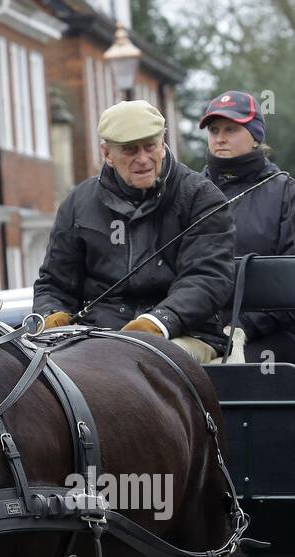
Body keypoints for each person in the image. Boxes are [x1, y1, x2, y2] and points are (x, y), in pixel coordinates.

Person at [33, 99, 235, 365]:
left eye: (150, 146)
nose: (143, 159)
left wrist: (156, 323)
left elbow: (207, 277)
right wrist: (51, 315)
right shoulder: (77, 203)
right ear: (107, 154)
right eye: (130, 150)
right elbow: (55, 283)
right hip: (96, 337)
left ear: (163, 145)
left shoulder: (200, 197)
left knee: (143, 362)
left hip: (186, 334)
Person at [200, 90, 295, 364]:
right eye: (214, 129)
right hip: (204, 328)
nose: (219, 137)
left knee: (224, 371)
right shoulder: (192, 192)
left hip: (274, 333)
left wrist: (244, 326)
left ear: (255, 136)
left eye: (231, 129)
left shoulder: (286, 193)